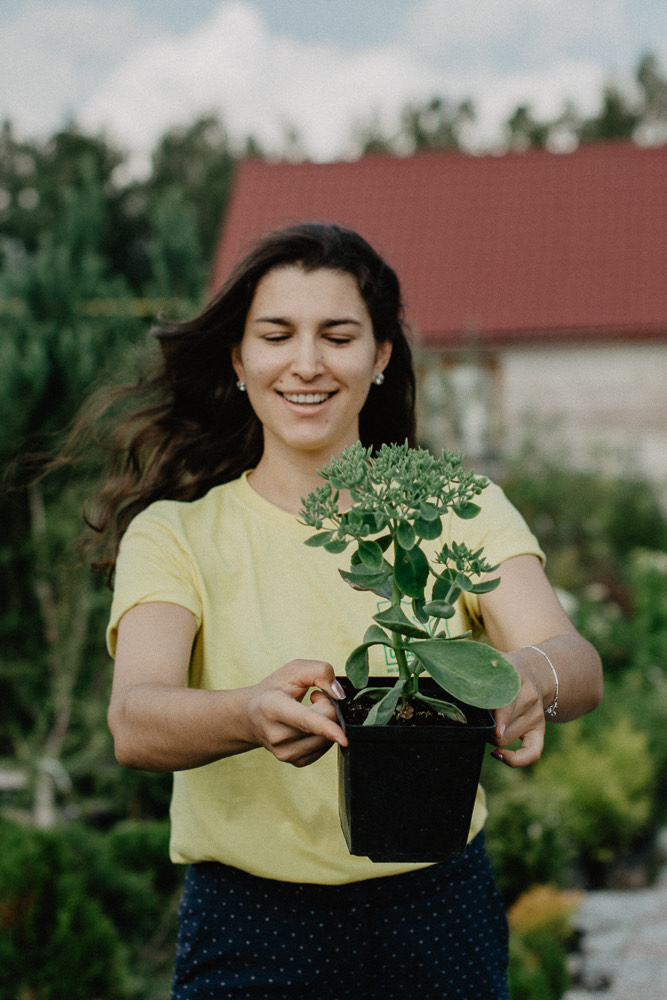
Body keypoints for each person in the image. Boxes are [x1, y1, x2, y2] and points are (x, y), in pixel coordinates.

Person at [96, 222, 602, 999]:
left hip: (439, 909)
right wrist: (248, 712)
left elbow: (574, 662)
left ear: (380, 357)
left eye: (337, 336)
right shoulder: (177, 533)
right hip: (251, 923)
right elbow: (135, 718)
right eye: (276, 335)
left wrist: (528, 674)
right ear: (238, 358)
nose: (306, 363)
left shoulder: (453, 506)